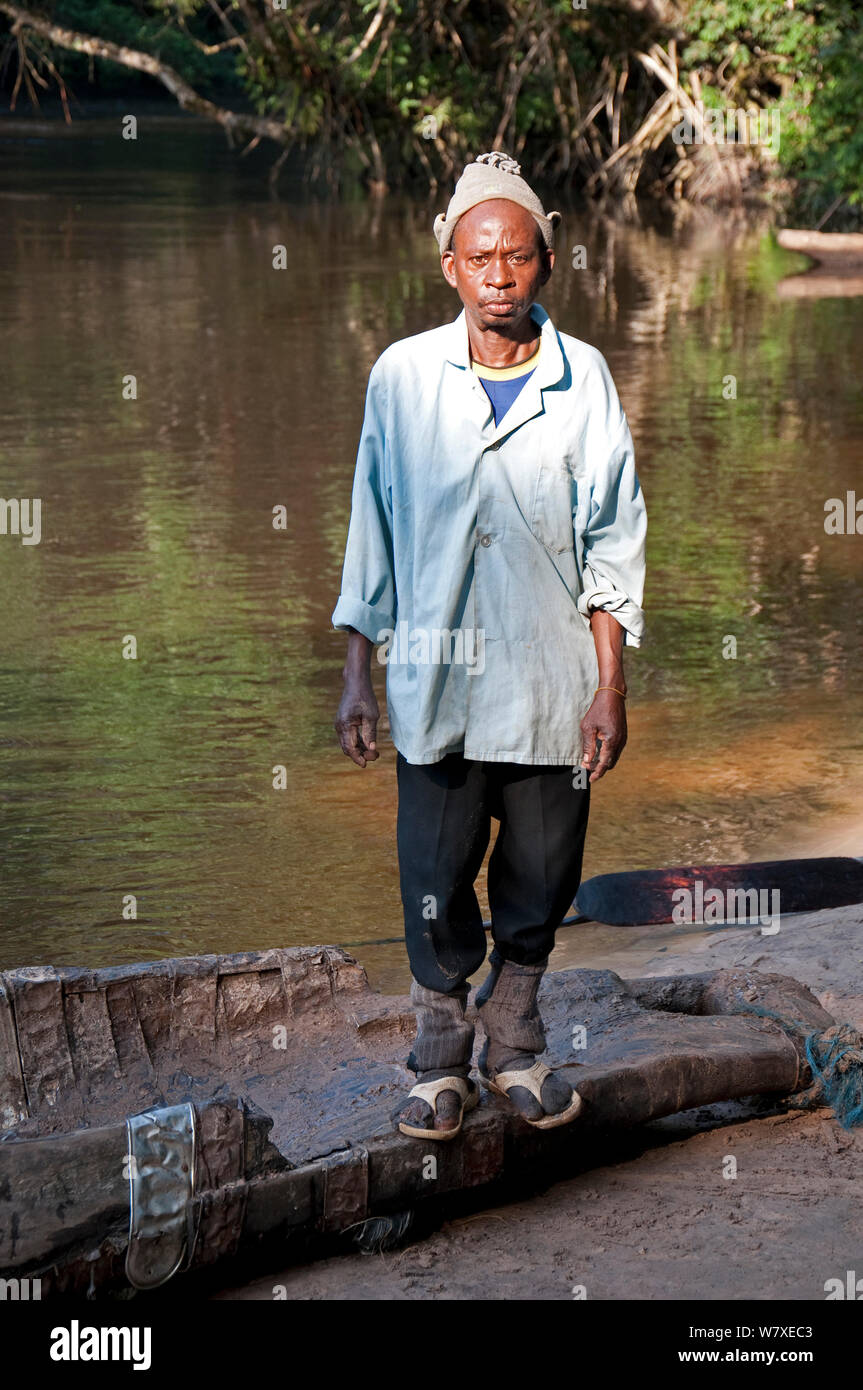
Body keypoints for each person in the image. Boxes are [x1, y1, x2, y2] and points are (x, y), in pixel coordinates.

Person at [332, 152, 647, 1139]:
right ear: (449, 268)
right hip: (434, 680)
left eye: (516, 257)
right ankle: (438, 1053)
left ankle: (512, 1037)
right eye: (479, 258)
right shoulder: (402, 378)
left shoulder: (583, 378)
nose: (498, 275)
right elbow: (370, 529)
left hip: (550, 684)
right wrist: (356, 674)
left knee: (542, 871)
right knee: (431, 875)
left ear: (547, 263)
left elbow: (612, 538)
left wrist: (609, 684)